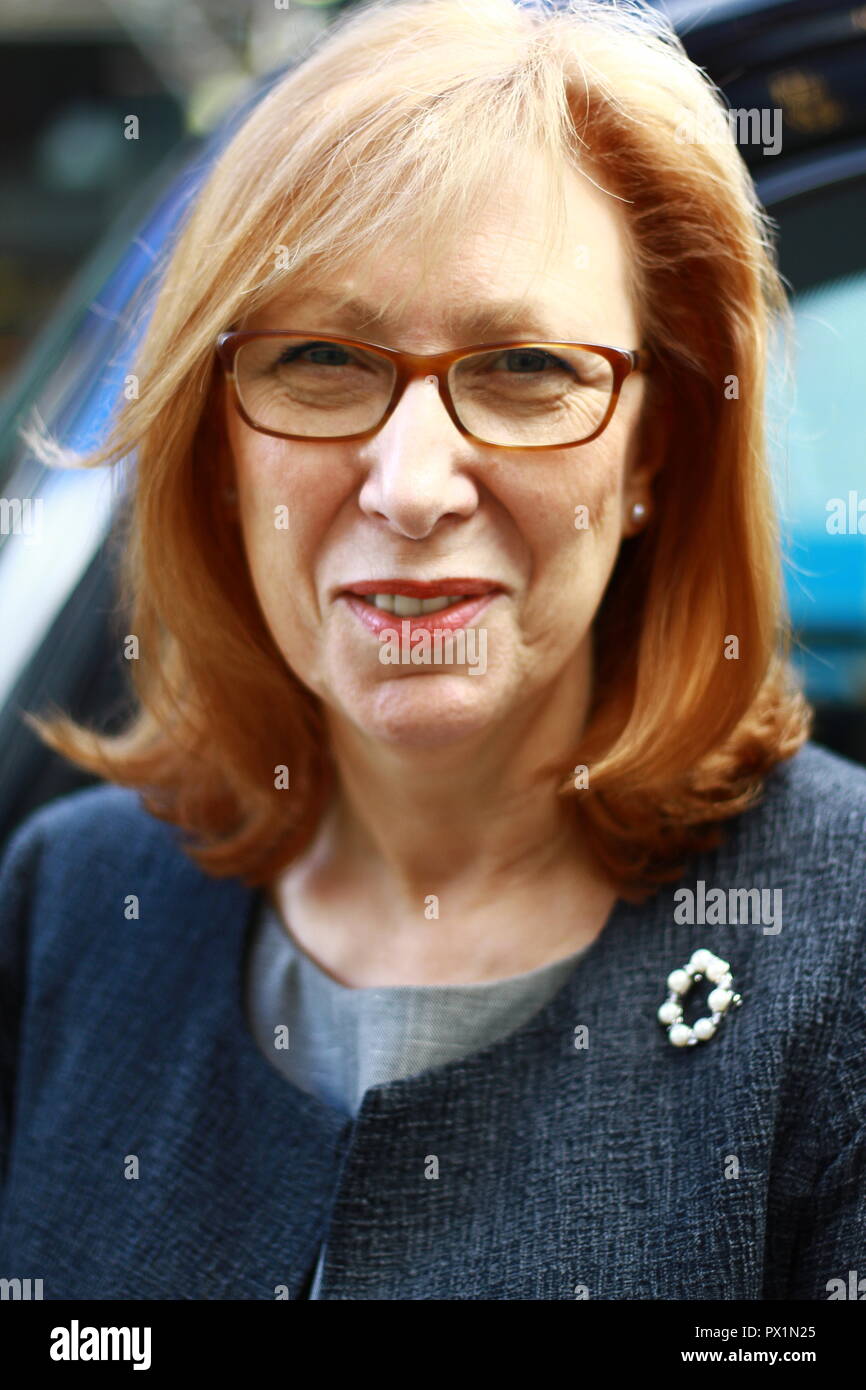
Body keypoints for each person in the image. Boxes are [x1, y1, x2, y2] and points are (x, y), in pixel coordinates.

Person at [1, 0, 864, 1301]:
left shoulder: (841, 946)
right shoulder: (76, 898)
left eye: (522, 367)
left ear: (655, 449)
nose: (410, 486)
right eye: (318, 360)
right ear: (218, 448)